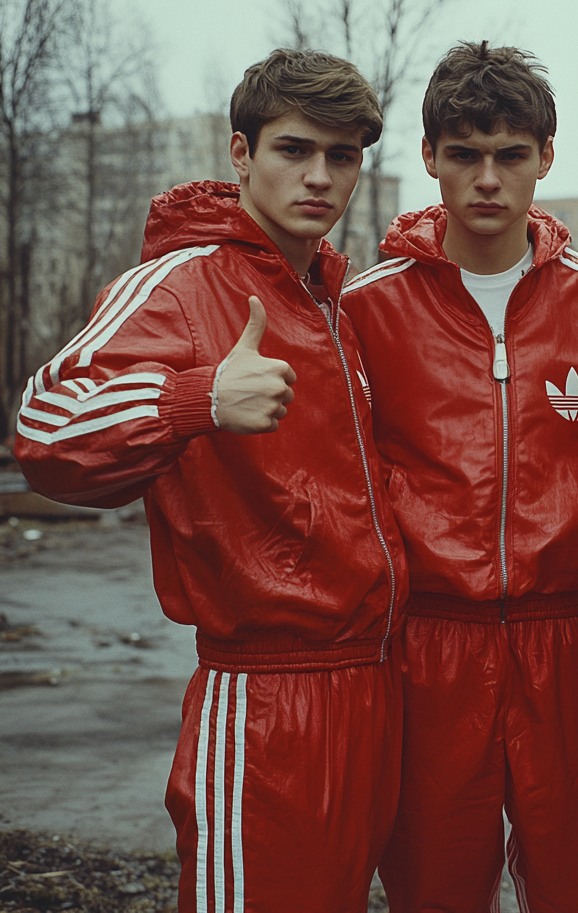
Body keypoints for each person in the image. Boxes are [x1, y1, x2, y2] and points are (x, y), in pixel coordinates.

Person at [14, 49, 408, 913]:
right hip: (263, 696)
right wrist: (194, 399)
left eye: (342, 156)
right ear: (241, 153)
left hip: (372, 684)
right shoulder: (181, 281)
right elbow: (44, 429)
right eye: (293, 149)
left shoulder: (333, 299)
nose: (319, 176)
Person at [340, 41, 578, 912]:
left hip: (568, 639)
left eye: (511, 155)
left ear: (547, 157)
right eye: (465, 155)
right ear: (430, 157)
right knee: (435, 886)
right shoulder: (366, 309)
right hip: (431, 646)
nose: (488, 180)